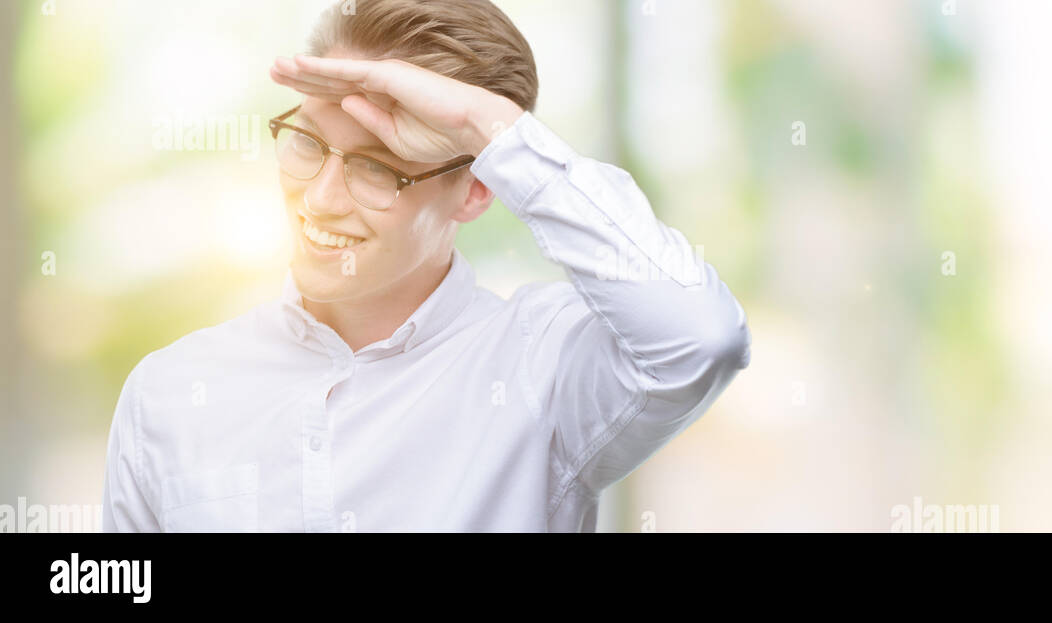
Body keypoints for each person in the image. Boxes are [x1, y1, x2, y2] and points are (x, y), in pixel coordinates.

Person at [101, 0, 750, 532]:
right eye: (307, 141)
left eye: (378, 166)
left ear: (474, 188)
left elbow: (700, 338)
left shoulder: (541, 367)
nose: (321, 197)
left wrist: (484, 125)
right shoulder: (169, 390)